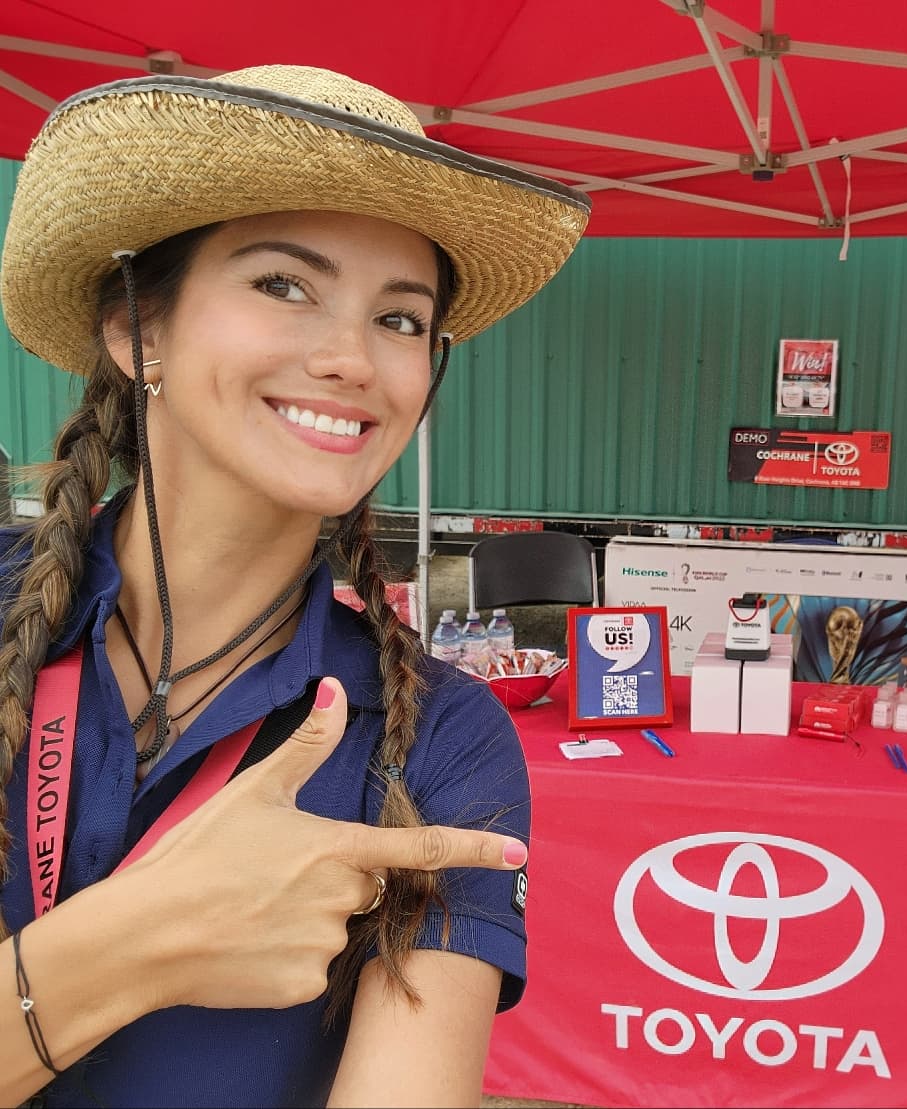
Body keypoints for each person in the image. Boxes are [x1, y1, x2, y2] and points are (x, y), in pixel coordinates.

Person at [0, 65, 590, 1105]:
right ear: (139, 329)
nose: (352, 358)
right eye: (283, 284)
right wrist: (140, 940)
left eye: (401, 320)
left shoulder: (440, 739)